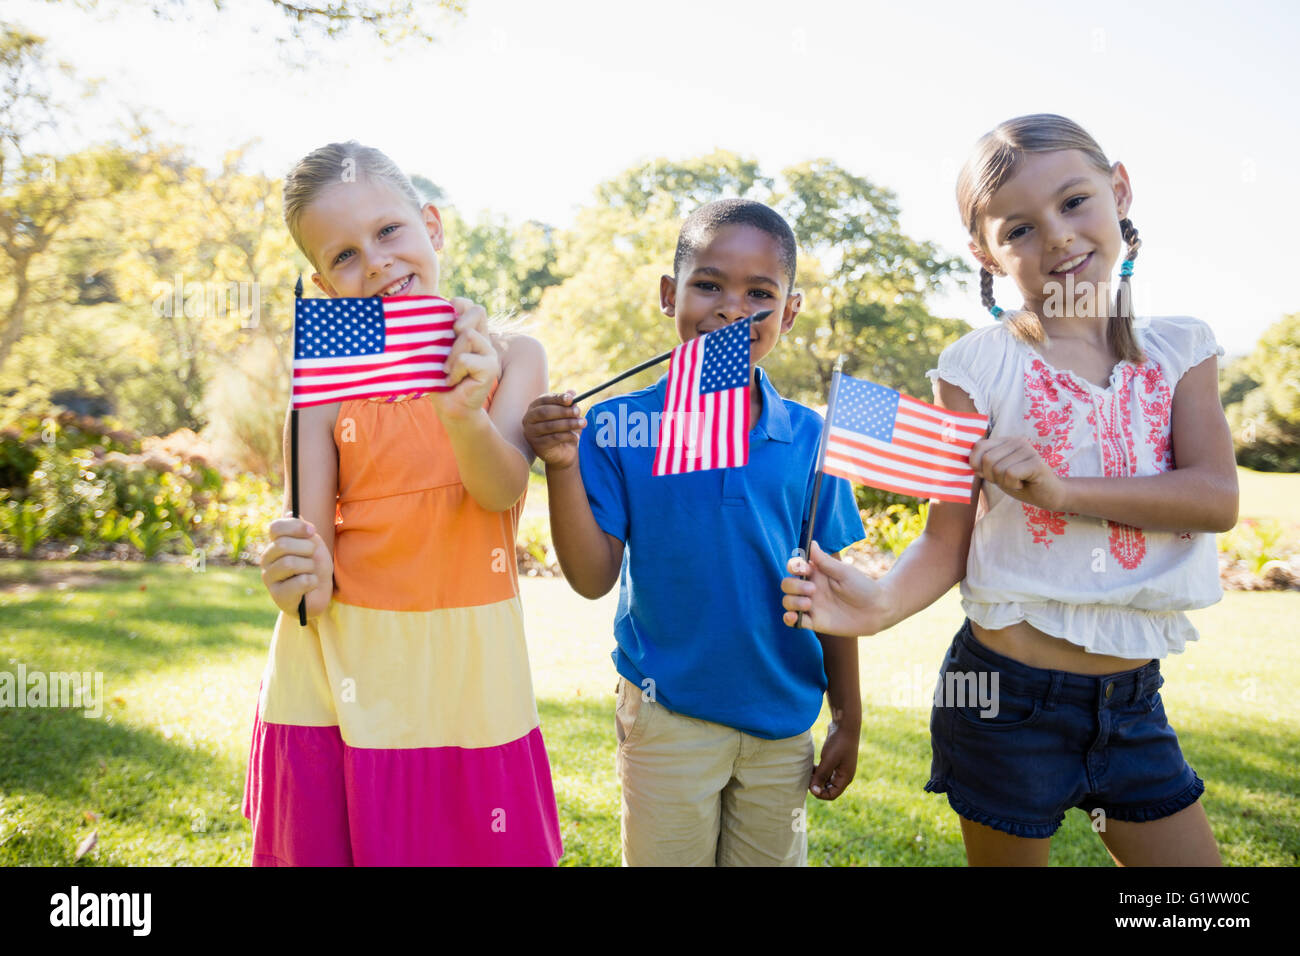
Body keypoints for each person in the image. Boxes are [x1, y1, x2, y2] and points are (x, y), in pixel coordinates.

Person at [781, 114, 1237, 866]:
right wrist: (883, 603)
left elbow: (1214, 497)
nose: (1056, 236)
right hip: (1000, 698)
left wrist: (1059, 493)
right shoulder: (977, 367)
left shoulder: (1182, 348)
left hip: (1131, 706)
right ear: (984, 253)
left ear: (1118, 191)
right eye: (1018, 229)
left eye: (1074, 202)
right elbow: (945, 539)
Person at [244, 141, 562, 866]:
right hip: (340, 675)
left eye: (389, 231)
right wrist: (290, 572)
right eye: (345, 255)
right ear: (322, 286)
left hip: (467, 672)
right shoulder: (322, 387)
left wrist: (462, 412)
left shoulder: (513, 355)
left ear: (432, 226)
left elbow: (501, 488)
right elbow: (311, 586)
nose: (378, 261)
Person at [523, 199, 866, 866]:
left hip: (782, 722)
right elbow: (593, 579)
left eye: (759, 293)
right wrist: (563, 466)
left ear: (788, 312)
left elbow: (832, 591)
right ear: (668, 293)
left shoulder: (812, 438)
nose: (732, 309)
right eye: (708, 283)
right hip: (666, 716)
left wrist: (848, 716)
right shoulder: (619, 428)